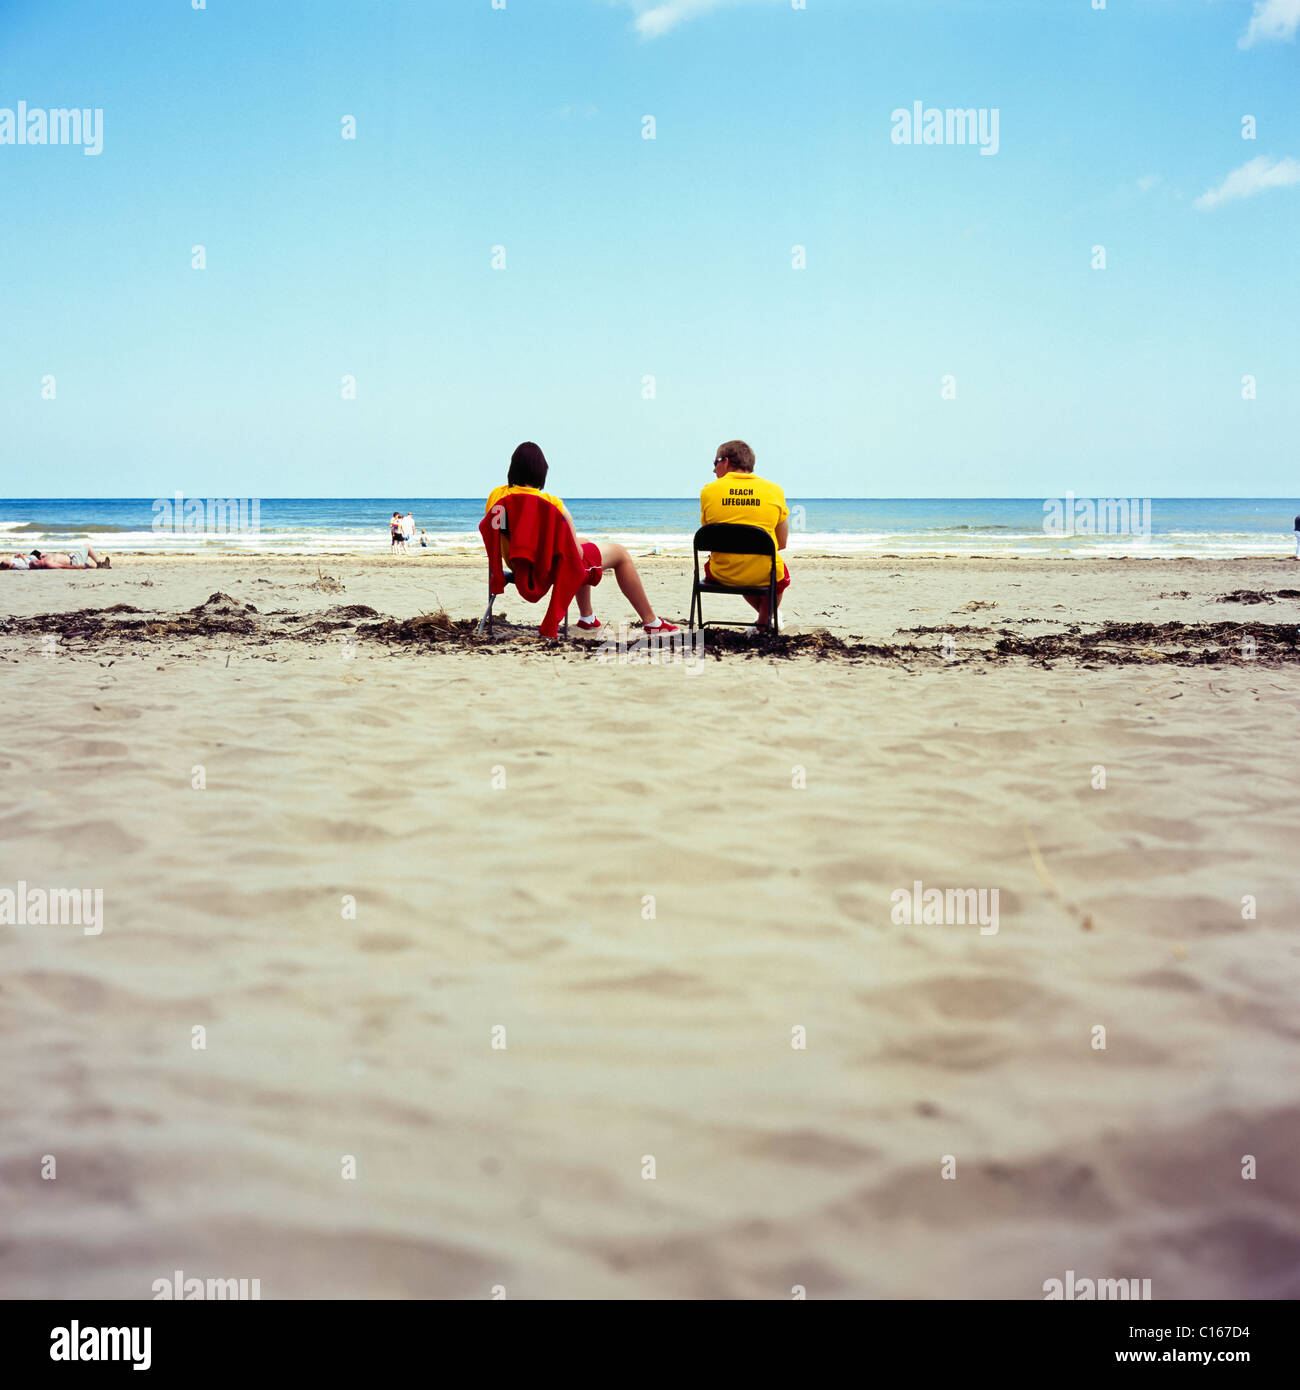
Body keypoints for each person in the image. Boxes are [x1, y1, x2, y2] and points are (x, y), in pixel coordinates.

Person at [486, 442, 678, 633]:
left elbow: (502, 534)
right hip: (546, 569)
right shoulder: (552, 505)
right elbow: (574, 553)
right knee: (620, 554)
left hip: (517, 565)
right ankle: (651, 622)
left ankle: (587, 617)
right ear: (541, 472)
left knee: (584, 543)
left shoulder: (497, 497)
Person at [699, 439, 789, 630]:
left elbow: (710, 539)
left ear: (725, 461)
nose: (714, 470)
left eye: (715, 463)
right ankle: (765, 621)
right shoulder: (775, 491)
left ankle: (764, 620)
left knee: (739, 561)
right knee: (774, 571)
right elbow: (781, 543)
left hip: (722, 573)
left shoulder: (709, 491)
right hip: (764, 572)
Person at [27, 548, 111, 569]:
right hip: (73, 561)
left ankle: (102, 566)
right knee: (87, 547)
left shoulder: (44, 559)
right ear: (36, 561)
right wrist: (78, 567)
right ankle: (100, 564)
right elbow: (63, 567)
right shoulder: (48, 563)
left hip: (72, 558)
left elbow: (39, 554)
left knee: (89, 565)